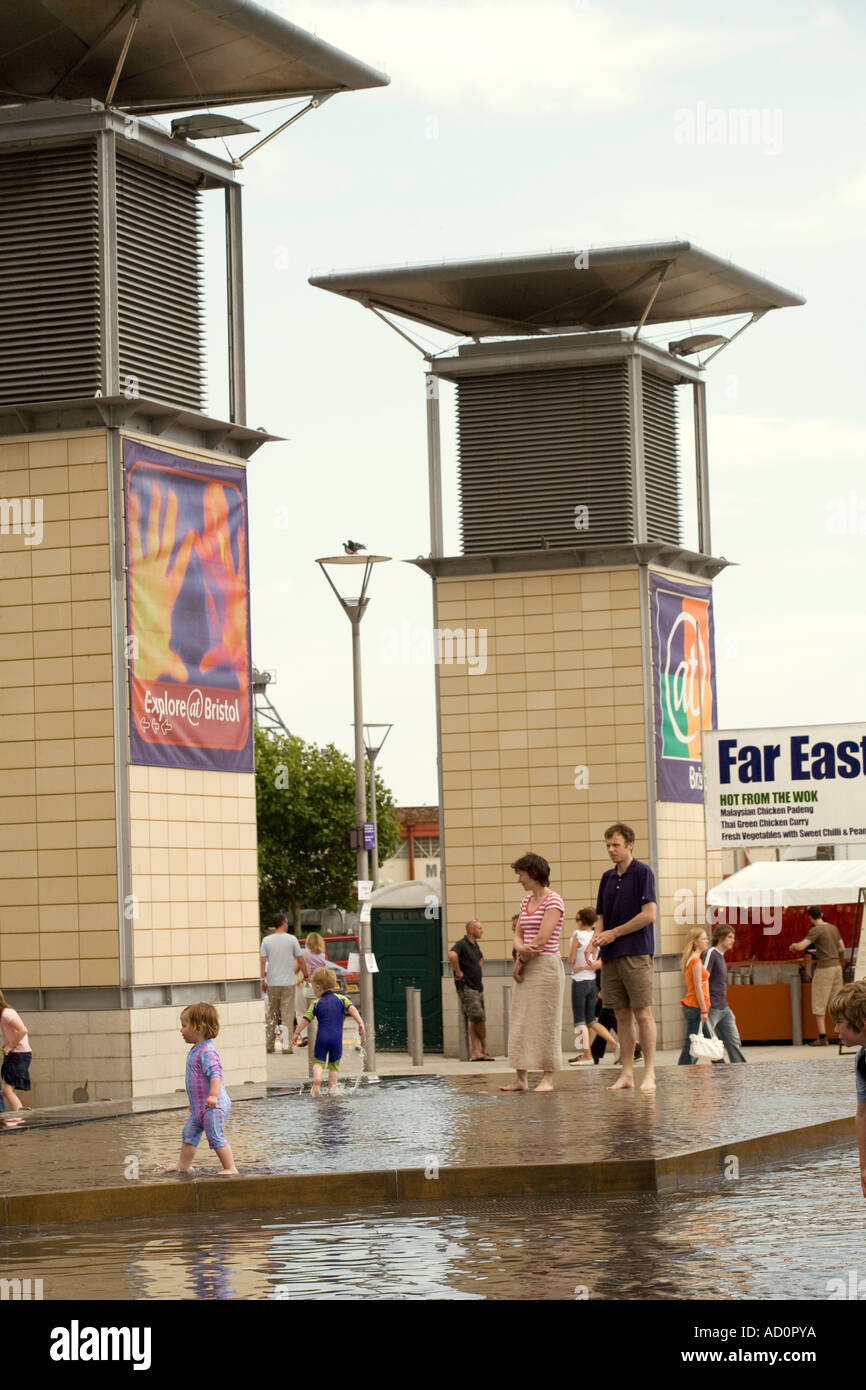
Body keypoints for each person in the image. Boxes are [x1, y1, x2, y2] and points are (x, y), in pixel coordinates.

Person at [591, 823, 658, 1093]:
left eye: (616, 845)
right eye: (608, 845)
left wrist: (612, 934)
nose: (611, 850)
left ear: (630, 844)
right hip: (611, 954)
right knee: (620, 1014)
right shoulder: (607, 877)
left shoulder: (643, 872)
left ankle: (650, 1073)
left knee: (642, 1012)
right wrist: (595, 940)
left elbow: (649, 915)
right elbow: (600, 917)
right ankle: (627, 1073)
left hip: (636, 951)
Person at [500, 853, 565, 1094]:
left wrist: (522, 958)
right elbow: (518, 933)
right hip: (526, 964)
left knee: (546, 1021)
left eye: (521, 874)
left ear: (534, 874)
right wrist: (519, 952)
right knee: (521, 1020)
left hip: (546, 966)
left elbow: (542, 938)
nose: (519, 879)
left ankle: (548, 1077)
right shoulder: (526, 902)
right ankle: (521, 1077)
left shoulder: (554, 901)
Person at [163, 1002, 237, 1176]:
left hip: (214, 1105)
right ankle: (182, 1165)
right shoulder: (196, 1049)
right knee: (188, 1133)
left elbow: (215, 1074)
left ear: (199, 1028)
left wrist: (213, 1095)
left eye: (184, 1025)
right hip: (200, 1107)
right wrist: (194, 1104)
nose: (181, 1030)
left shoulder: (207, 1051)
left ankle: (230, 1167)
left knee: (214, 1135)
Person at [293, 967, 365, 1096]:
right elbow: (352, 1009)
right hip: (337, 1039)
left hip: (322, 1038)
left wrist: (296, 1033)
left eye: (314, 988)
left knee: (319, 1063)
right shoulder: (342, 999)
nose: (313, 991)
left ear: (319, 988)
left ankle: (317, 1079)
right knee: (334, 1066)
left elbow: (306, 1019)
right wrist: (360, 1022)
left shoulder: (316, 1003)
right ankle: (332, 1091)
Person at [829, 981, 866, 1197]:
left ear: (860, 1024)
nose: (836, 1030)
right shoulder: (862, 1060)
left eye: (839, 1022)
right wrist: (864, 1167)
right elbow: (862, 1114)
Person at [789, 907, 845, 1046]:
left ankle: (823, 1037)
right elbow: (842, 948)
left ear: (810, 917)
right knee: (837, 1002)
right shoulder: (833, 928)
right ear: (822, 914)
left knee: (819, 1002)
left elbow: (802, 946)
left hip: (824, 968)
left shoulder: (816, 930)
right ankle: (842, 1036)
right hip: (837, 967)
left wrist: (793, 946)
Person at [567, 908, 617, 1065]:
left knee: (580, 1021)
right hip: (592, 982)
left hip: (579, 981)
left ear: (581, 921)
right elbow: (598, 962)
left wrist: (578, 965)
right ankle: (616, 1044)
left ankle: (587, 1055)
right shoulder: (596, 937)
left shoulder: (578, 935)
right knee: (591, 1020)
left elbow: (571, 958)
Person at [260, 912, 309, 1053]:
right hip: (288, 982)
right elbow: (300, 959)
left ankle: (269, 1045)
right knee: (287, 1014)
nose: (287, 925)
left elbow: (262, 961)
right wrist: (305, 975)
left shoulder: (266, 941)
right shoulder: (292, 939)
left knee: (272, 1014)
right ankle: (287, 1047)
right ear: (283, 923)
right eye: (287, 922)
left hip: (272, 982)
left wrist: (262, 979)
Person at [449, 920, 494, 1061]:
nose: (482, 930)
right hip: (467, 986)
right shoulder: (462, 944)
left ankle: (477, 1052)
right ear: (471, 930)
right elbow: (452, 955)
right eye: (479, 928)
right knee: (478, 1017)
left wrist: (476, 968)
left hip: (477, 986)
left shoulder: (474, 945)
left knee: (476, 1019)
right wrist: (458, 972)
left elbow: (481, 959)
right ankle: (483, 1048)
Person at [703, 925, 747, 1063]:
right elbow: (702, 977)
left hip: (723, 1006)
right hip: (712, 1006)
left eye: (733, 937)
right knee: (709, 1041)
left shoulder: (721, 956)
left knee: (733, 1041)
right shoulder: (711, 953)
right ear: (721, 937)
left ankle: (739, 1067)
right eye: (730, 937)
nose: (733, 940)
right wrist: (704, 1003)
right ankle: (720, 1068)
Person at [678, 927, 711, 1065]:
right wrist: (703, 1009)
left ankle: (721, 1065)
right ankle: (684, 1067)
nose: (707, 941)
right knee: (692, 1043)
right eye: (703, 939)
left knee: (701, 1040)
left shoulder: (692, 960)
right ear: (695, 942)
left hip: (694, 1005)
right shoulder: (695, 961)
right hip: (695, 1006)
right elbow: (697, 987)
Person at [0, 988, 32, 1112]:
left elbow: (23, 1030)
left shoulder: (6, 1014)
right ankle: (19, 1113)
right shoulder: (6, 1013)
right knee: (7, 1090)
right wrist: (8, 1044)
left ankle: (19, 1117)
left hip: (19, 1055)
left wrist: (10, 1046)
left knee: (7, 1090)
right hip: (17, 1054)